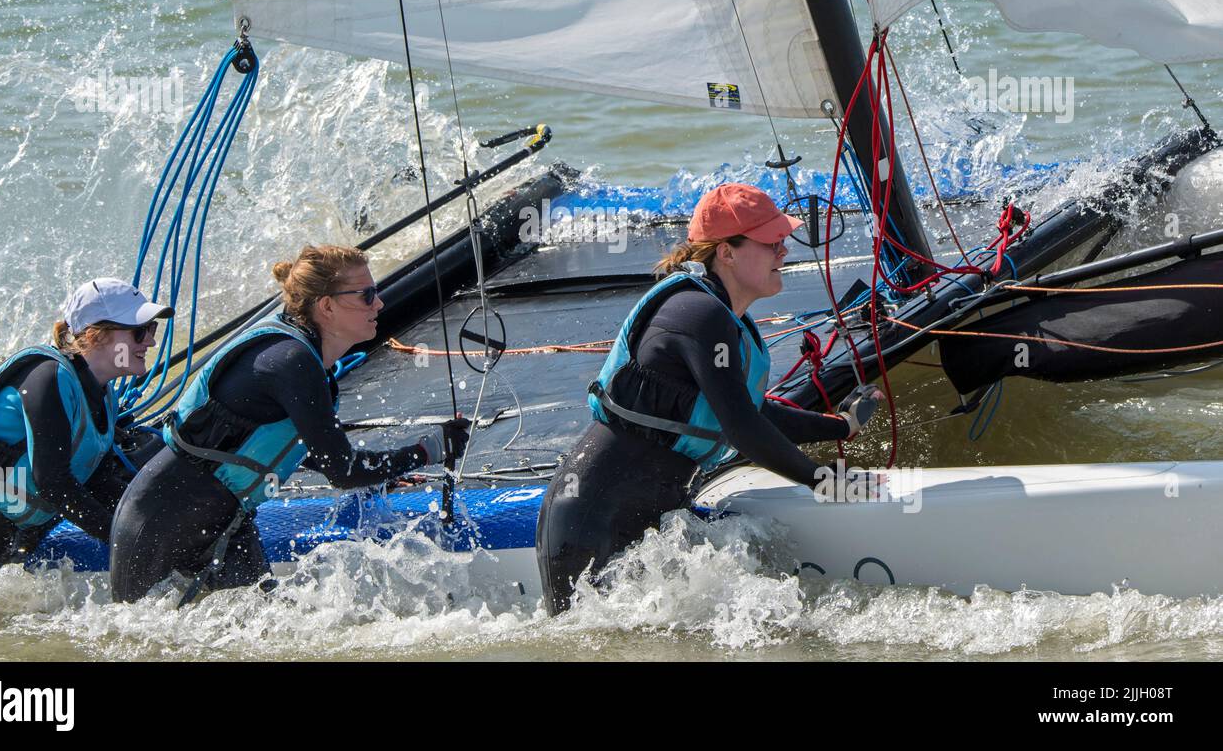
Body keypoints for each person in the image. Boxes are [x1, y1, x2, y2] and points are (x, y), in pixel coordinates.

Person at [536, 183, 884, 613]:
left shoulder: (724, 316)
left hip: (646, 517)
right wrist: (824, 481)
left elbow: (751, 412)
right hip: (589, 522)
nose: (784, 251)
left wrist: (841, 426)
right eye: (771, 242)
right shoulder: (696, 313)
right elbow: (742, 428)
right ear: (727, 252)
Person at [109, 244, 469, 603]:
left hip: (225, 522)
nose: (379, 304)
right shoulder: (290, 360)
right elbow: (343, 471)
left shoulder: (304, 357)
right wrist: (427, 451)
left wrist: (383, 471)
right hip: (156, 523)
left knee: (264, 628)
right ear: (326, 306)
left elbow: (300, 448)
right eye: (367, 295)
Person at [0, 278, 173, 575]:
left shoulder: (104, 396)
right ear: (97, 335)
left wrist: (160, 526)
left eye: (151, 329)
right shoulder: (49, 377)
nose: (150, 341)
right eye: (139, 331)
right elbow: (54, 483)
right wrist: (126, 543)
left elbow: (100, 483)